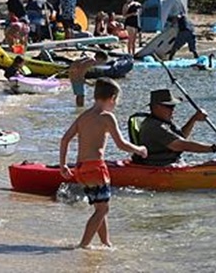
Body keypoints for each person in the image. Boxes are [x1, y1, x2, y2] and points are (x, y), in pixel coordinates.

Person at [58, 78, 148, 249]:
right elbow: (121, 144)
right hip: (96, 168)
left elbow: (65, 139)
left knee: (100, 207)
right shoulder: (107, 117)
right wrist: (139, 149)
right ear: (112, 98)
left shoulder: (83, 116)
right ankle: (83, 245)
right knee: (102, 209)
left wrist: (63, 166)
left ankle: (106, 242)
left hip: (81, 169)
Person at [132, 88, 216, 166]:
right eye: (169, 106)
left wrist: (193, 119)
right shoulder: (155, 127)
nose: (172, 110)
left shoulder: (162, 122)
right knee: (214, 164)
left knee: (214, 164)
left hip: (171, 164)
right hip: (162, 167)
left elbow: (180, 137)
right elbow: (181, 145)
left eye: (173, 106)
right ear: (156, 107)